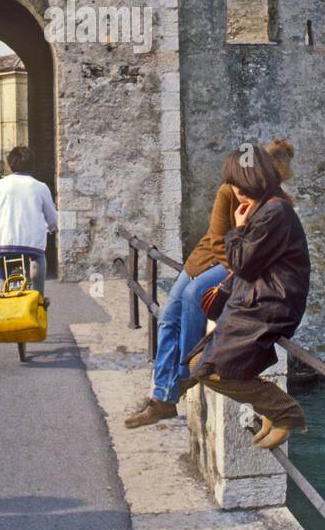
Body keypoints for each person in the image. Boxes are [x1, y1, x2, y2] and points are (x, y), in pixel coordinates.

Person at [125, 137, 295, 429]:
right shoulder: (229, 191)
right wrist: (238, 263)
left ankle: (181, 378)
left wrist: (243, 265)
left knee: (194, 295)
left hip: (235, 267)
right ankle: (163, 397)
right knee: (167, 319)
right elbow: (217, 240)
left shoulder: (279, 203)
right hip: (211, 259)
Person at [181, 142, 311, 450]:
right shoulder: (268, 208)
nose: (233, 188)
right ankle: (269, 407)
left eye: (236, 181)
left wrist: (237, 229)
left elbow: (243, 264)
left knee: (210, 371)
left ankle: (285, 412)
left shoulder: (274, 212)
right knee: (199, 363)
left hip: (269, 304)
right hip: (256, 301)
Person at [0, 146, 57, 298]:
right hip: (31, 245)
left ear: (10, 164)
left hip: (1, 243)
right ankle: (39, 299)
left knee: (1, 277)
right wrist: (50, 227)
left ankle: (0, 303)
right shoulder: (41, 187)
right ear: (32, 164)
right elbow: (53, 219)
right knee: (39, 261)